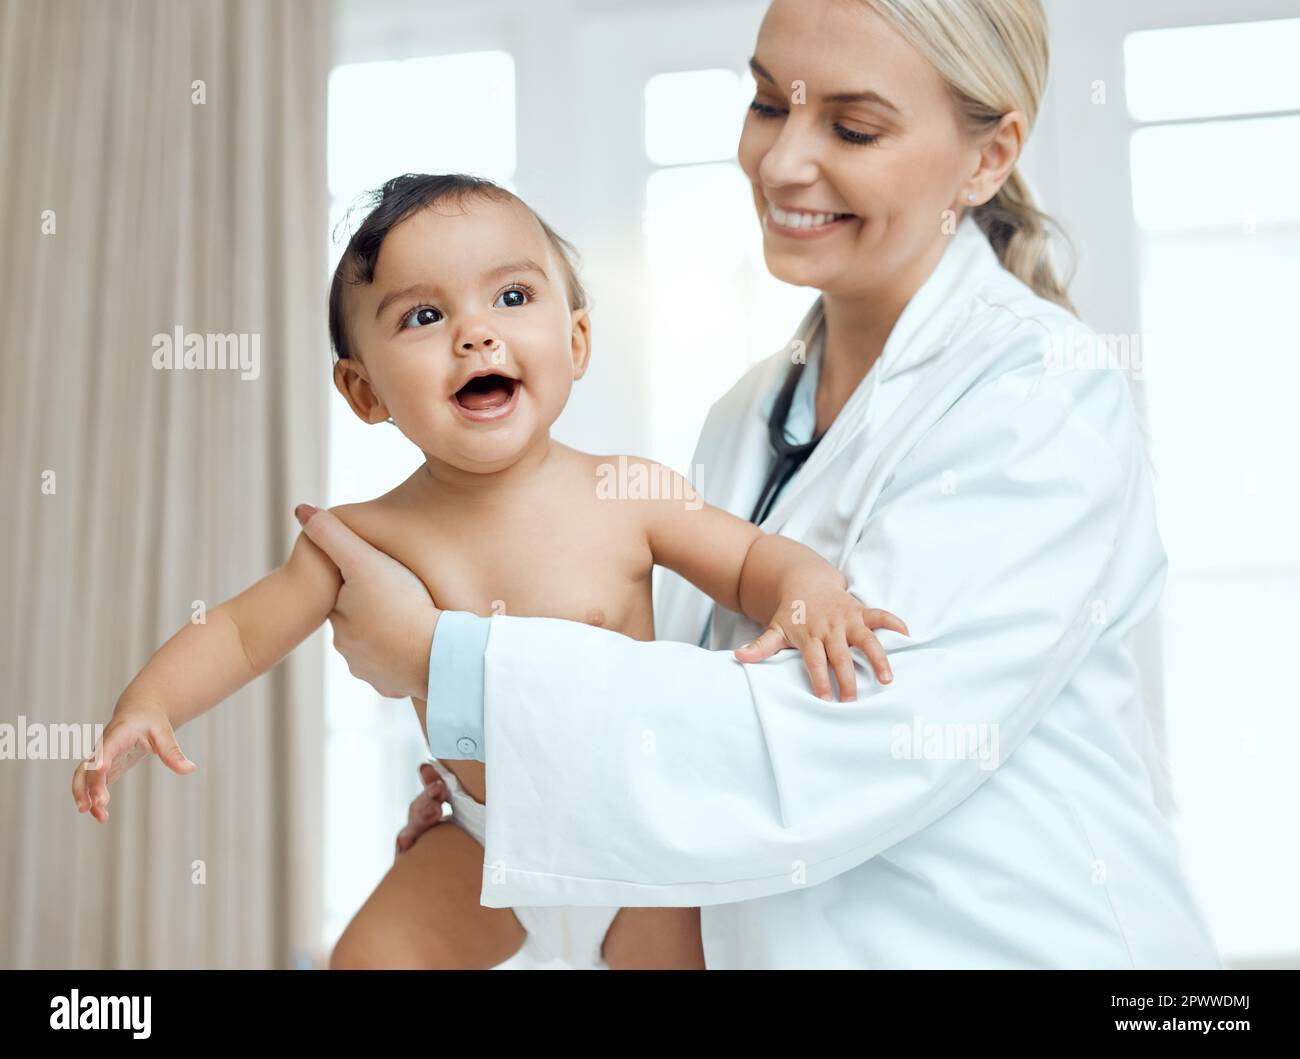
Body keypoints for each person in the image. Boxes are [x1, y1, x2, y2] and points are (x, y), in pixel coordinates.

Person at [302, 0, 1223, 969]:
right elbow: (667, 713)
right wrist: (505, 801)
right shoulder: (747, 415)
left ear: (988, 157)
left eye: (853, 127)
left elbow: (832, 746)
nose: (781, 162)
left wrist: (450, 669)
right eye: (766, 104)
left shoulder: (1041, 396)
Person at [71, 171, 906, 970]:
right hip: (480, 840)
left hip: (641, 840)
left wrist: (809, 591)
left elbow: (753, 559)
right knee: (368, 958)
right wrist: (149, 701)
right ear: (364, 391)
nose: (476, 332)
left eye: (512, 297)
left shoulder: (629, 492)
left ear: (575, 341)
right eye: (424, 315)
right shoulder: (364, 540)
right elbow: (246, 629)